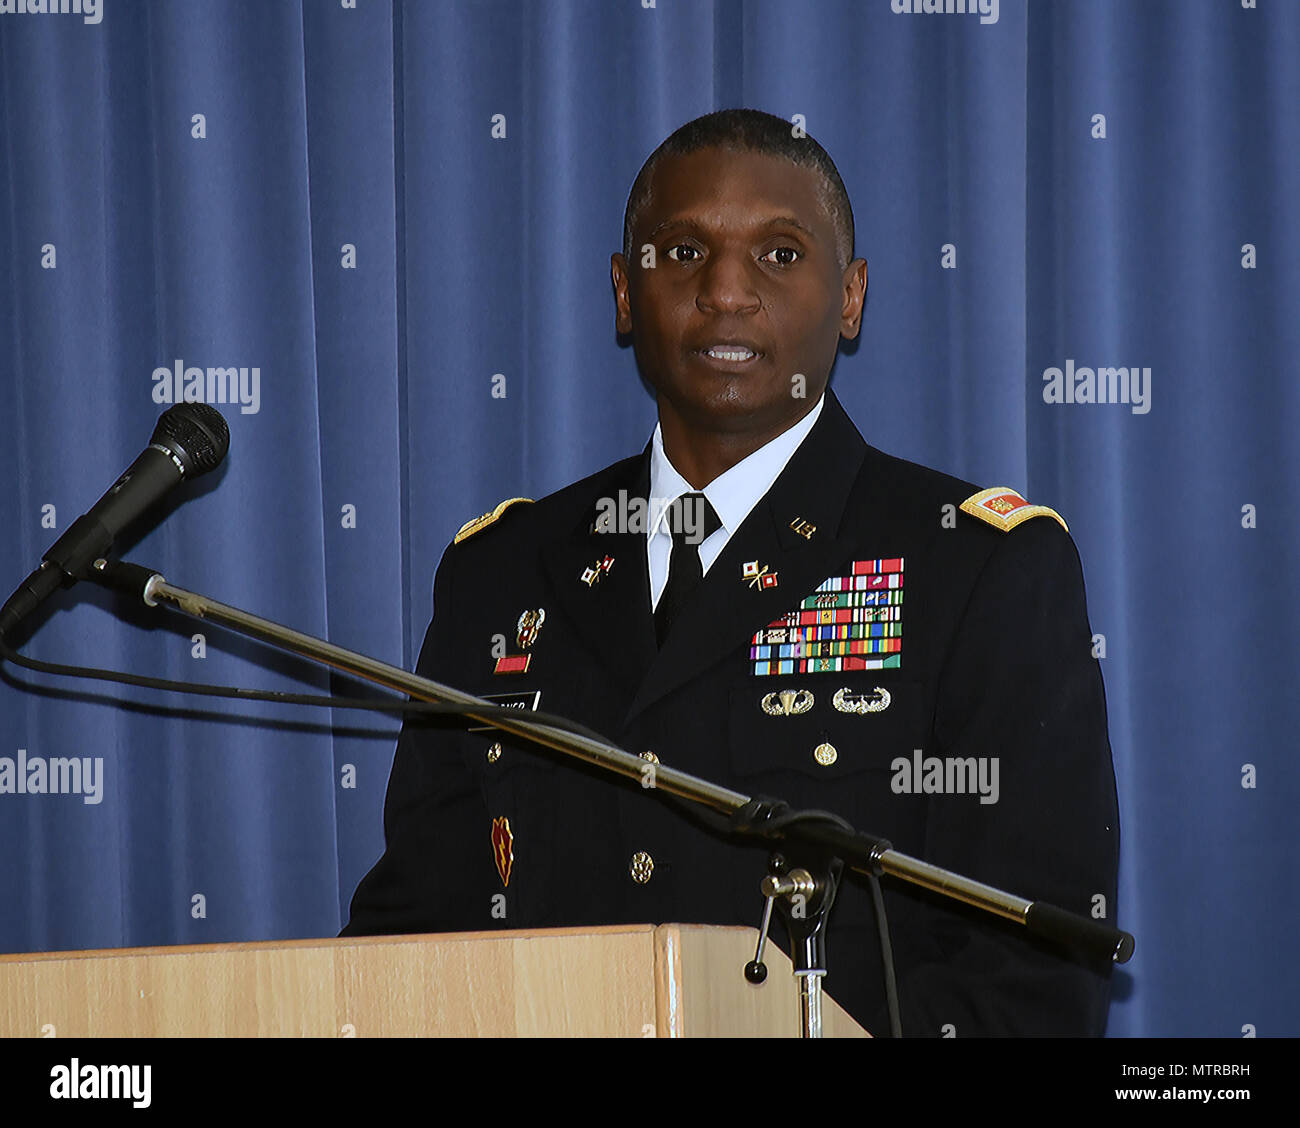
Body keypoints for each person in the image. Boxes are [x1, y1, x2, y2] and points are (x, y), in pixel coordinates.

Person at [341, 108, 1121, 1037]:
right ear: (625, 293)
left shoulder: (976, 568)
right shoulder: (504, 574)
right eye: (680, 253)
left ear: (852, 297)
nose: (725, 291)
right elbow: (410, 940)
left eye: (781, 255)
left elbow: (1033, 978)